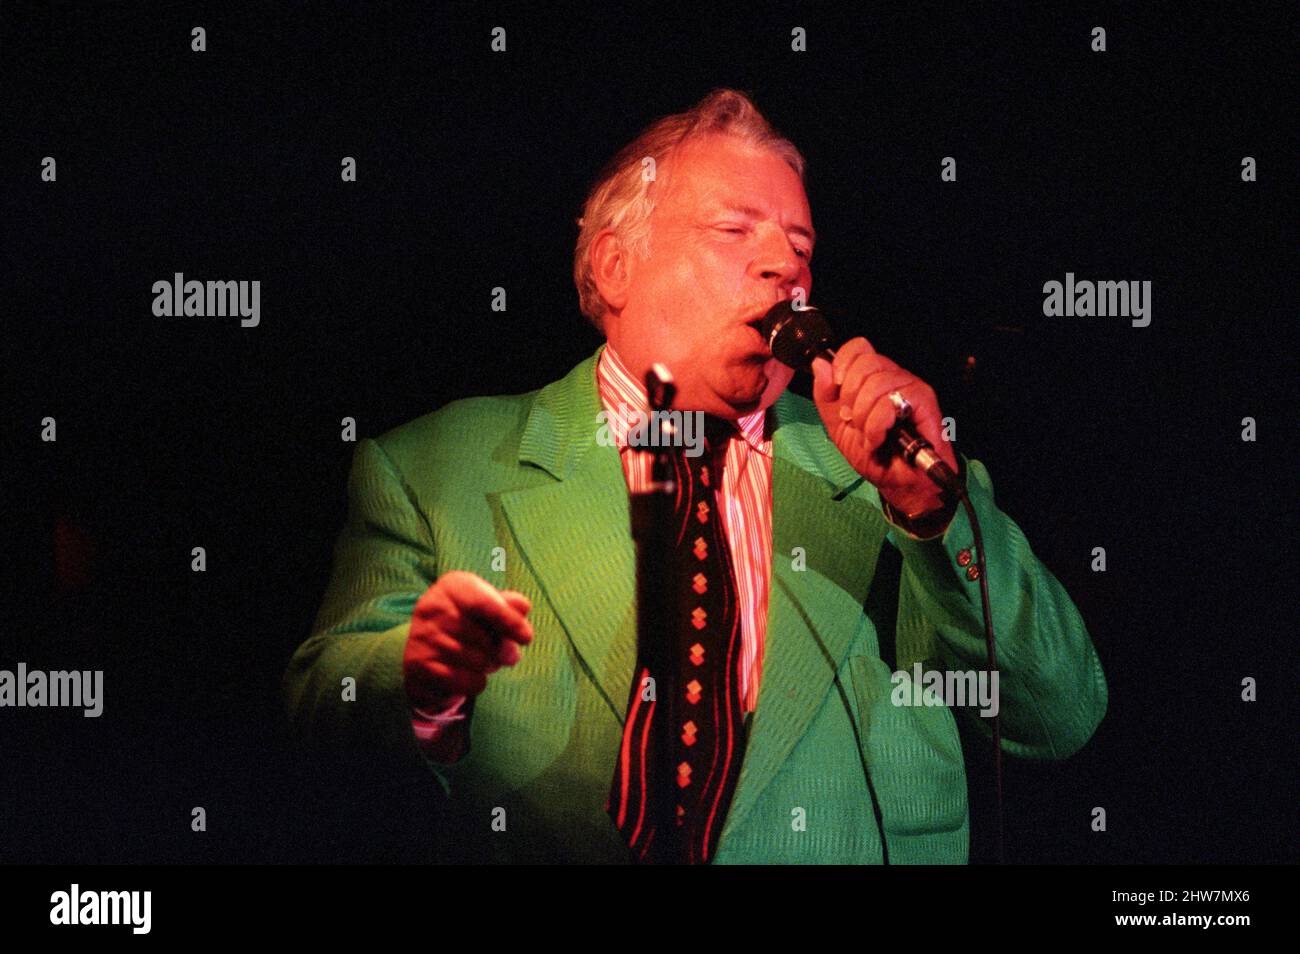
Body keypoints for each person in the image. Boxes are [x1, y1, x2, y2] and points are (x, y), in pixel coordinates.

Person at [282, 89, 1107, 864]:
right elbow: (321, 714)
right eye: (735, 230)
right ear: (613, 267)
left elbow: (1059, 718)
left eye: (801, 245)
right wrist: (420, 679)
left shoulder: (898, 479)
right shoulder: (434, 464)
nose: (786, 266)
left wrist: (934, 517)